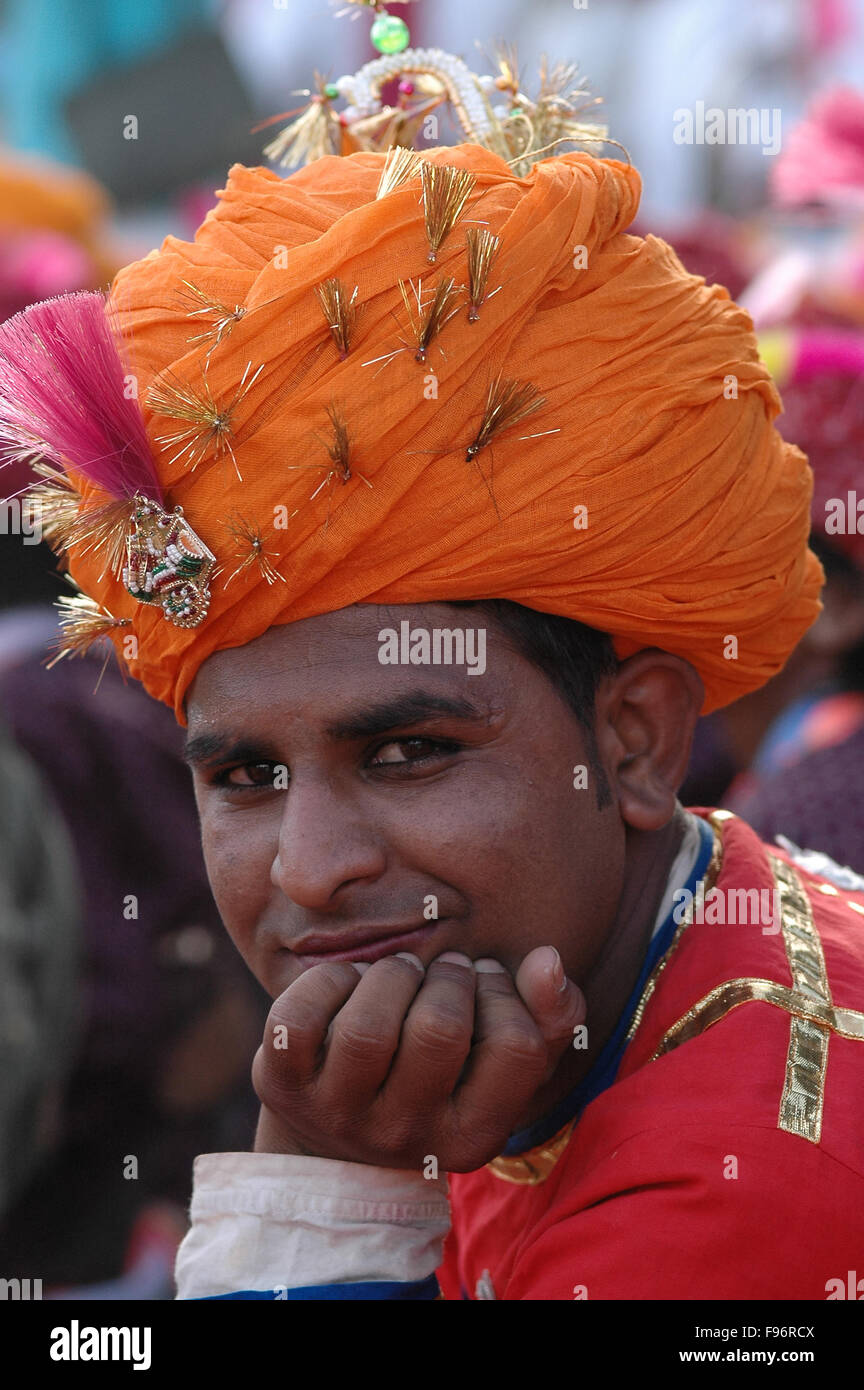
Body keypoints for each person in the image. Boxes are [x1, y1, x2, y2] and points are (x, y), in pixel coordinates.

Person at [1, 31, 863, 1302]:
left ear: (633, 738)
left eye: (407, 752)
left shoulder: (736, 1192)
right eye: (244, 775)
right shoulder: (619, 939)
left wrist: (323, 1184)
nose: (307, 867)